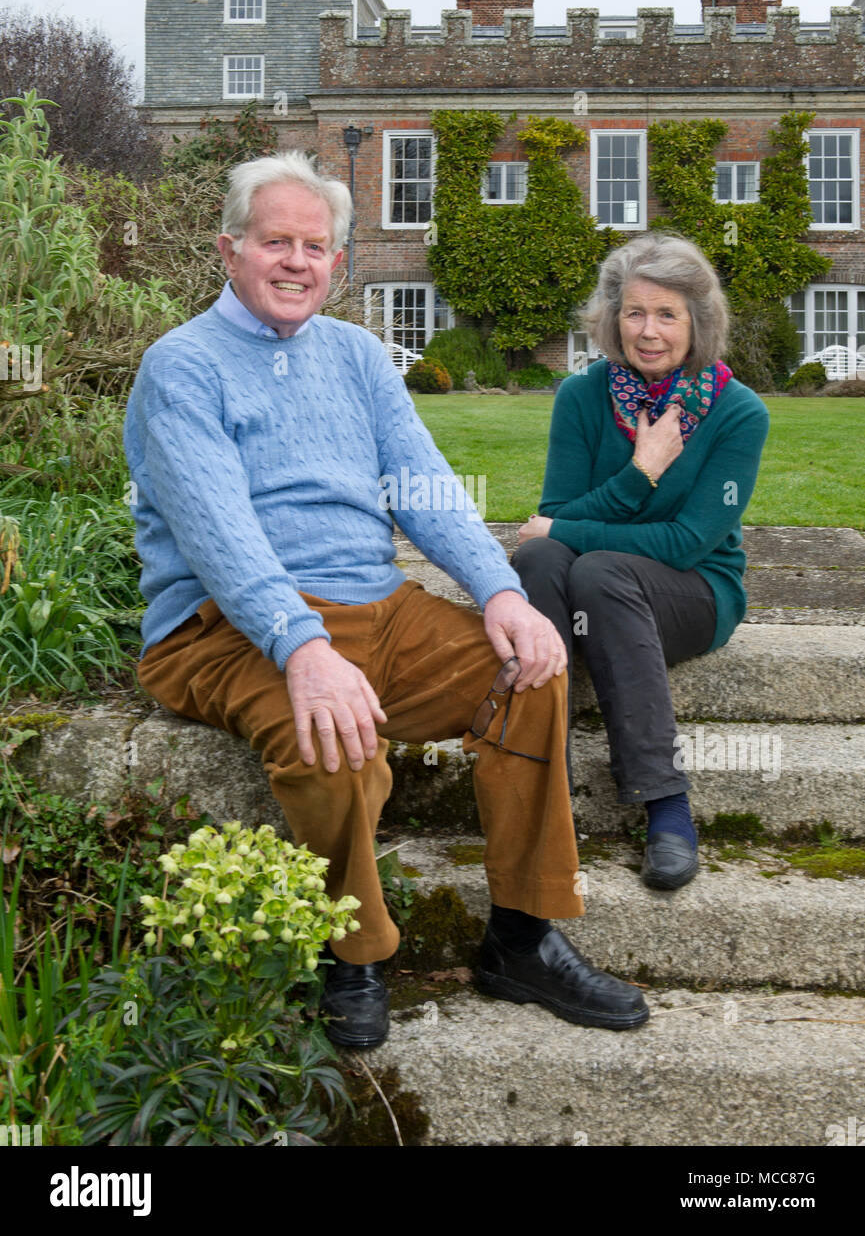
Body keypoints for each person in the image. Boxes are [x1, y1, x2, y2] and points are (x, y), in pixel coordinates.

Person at [124, 151, 649, 1050]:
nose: (296, 262)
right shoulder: (182, 368)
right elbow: (219, 534)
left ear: (337, 264)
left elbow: (422, 482)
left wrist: (498, 590)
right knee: (326, 739)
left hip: (376, 606)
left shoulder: (358, 356)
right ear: (229, 250)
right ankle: (354, 956)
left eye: (316, 246)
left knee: (527, 673)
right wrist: (302, 646)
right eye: (275, 242)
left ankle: (520, 937)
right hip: (222, 626)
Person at [512, 233, 769, 891]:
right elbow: (552, 527)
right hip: (592, 589)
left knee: (594, 567)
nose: (647, 331)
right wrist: (640, 471)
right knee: (540, 560)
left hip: (695, 590)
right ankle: (541, 780)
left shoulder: (738, 413)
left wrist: (592, 515)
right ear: (611, 318)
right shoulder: (580, 397)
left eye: (666, 314)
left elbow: (687, 542)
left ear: (697, 323)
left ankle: (665, 805)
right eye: (633, 312)